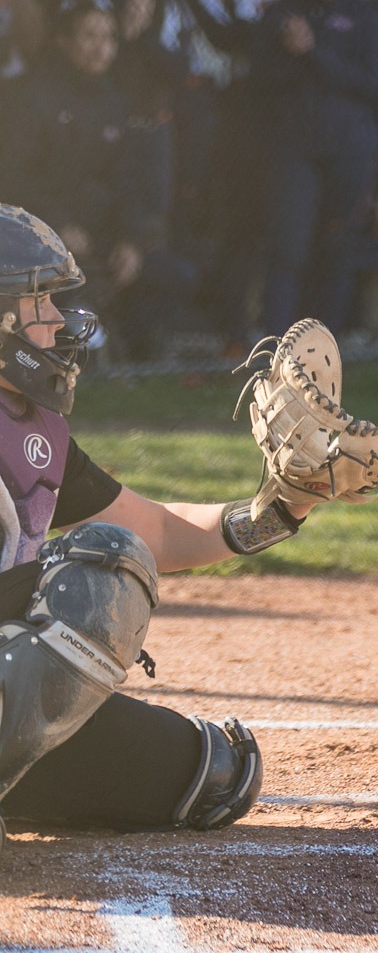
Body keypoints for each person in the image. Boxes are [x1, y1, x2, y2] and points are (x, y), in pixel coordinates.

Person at [0, 204, 294, 838]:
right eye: (37, 300)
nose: (54, 319)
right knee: (95, 576)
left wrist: (280, 509)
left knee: (216, 774)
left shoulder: (28, 429)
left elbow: (154, 532)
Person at [12, 0, 195, 360]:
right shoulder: (35, 97)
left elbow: (124, 180)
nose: (101, 47)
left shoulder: (114, 102)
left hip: (102, 236)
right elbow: (16, 177)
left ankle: (138, 355)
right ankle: (79, 351)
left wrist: (130, 242)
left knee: (178, 276)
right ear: (65, 42)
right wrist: (58, 227)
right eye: (90, 36)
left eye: (109, 37)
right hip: (43, 241)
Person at [251, 0, 378, 333]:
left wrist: (312, 53)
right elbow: (262, 78)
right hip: (293, 150)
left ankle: (324, 346)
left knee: (339, 247)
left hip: (350, 150)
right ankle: (275, 343)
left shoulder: (367, 15)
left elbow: (372, 82)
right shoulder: (282, 13)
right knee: (289, 246)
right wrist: (295, 56)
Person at [208, 0, 312, 346]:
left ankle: (291, 333)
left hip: (297, 110)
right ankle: (234, 330)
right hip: (247, 109)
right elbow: (237, 36)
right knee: (243, 224)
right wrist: (284, 41)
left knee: (290, 225)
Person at [131, 0, 230, 249]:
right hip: (149, 87)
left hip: (190, 88)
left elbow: (220, 32)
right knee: (156, 182)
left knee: (194, 182)